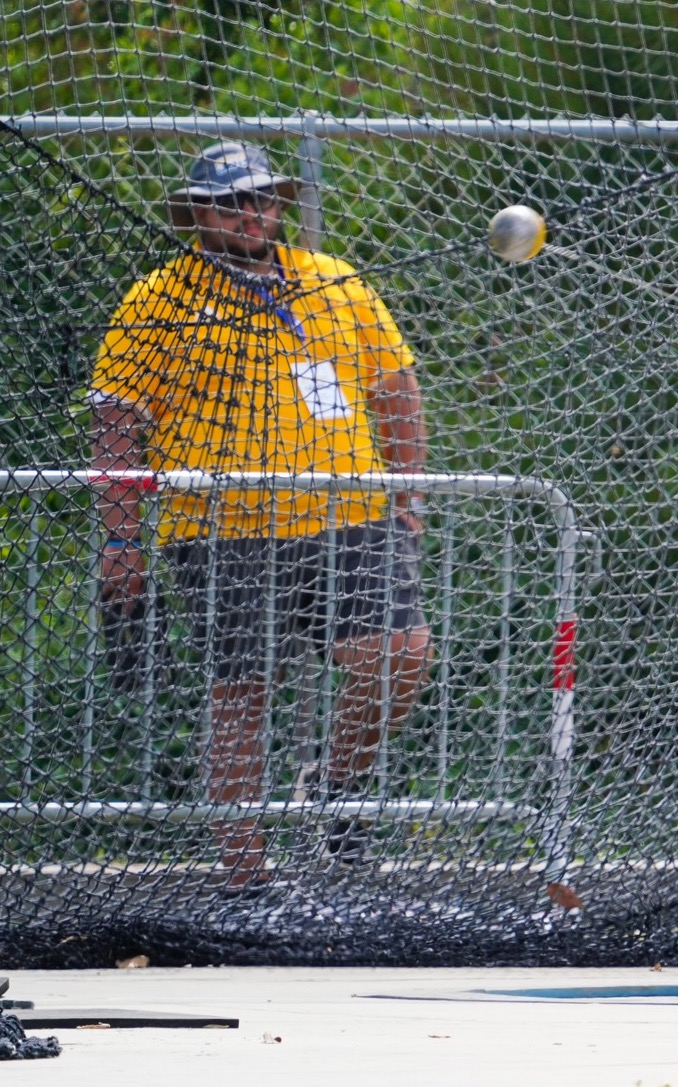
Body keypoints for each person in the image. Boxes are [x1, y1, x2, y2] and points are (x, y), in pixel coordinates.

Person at [90, 141, 433, 895]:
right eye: (230, 203)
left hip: (349, 511)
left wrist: (408, 496)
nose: (250, 213)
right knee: (244, 691)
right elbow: (116, 423)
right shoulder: (158, 299)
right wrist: (121, 537)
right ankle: (246, 879)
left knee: (401, 653)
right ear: (197, 215)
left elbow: (397, 387)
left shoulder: (334, 280)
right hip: (223, 527)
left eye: (261, 197)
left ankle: (334, 785)